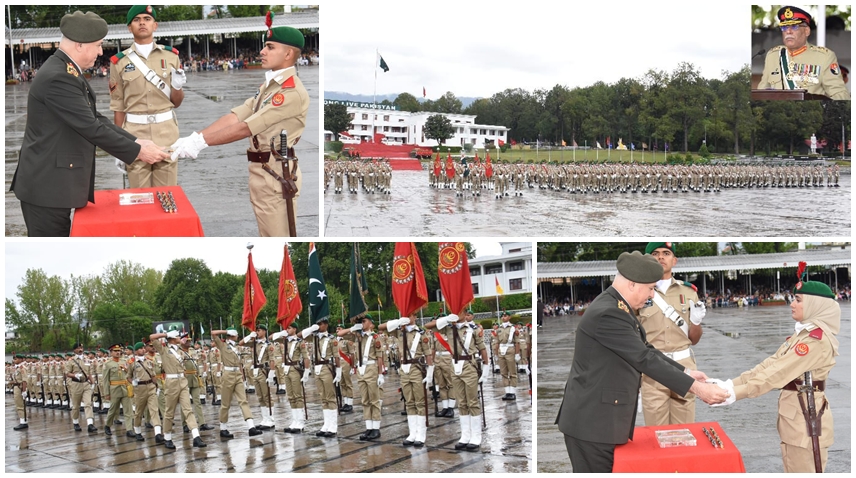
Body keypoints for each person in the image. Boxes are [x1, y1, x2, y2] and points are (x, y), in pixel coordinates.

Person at [555, 251, 729, 473]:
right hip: (592, 424)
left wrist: (686, 371)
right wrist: (698, 389)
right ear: (632, 284)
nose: (650, 296)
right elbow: (643, 359)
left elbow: (646, 349)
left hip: (599, 421)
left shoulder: (618, 306)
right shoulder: (609, 313)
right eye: (649, 289)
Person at [9, 11, 170, 237]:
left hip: (53, 185)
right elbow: (91, 128)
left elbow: (95, 118)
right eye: (97, 45)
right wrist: (139, 152)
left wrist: (135, 140)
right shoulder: (60, 77)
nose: (100, 51)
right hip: (46, 190)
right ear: (80, 45)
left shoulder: (66, 70)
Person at [171, 19, 308, 236]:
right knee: (267, 235)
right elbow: (235, 116)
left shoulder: (289, 92)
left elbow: (246, 127)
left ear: (288, 54)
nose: (262, 51)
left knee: (276, 238)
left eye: (270, 47)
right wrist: (194, 137)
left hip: (277, 175)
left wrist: (201, 143)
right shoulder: (270, 86)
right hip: (264, 172)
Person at [713, 271, 839, 472]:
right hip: (797, 421)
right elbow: (768, 365)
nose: (792, 304)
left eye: (798, 300)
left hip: (806, 424)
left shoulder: (815, 341)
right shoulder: (801, 336)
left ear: (816, 305)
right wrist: (730, 384)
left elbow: (777, 374)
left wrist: (735, 394)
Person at [110, 5, 185, 188]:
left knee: (166, 196)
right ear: (129, 28)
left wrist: (177, 86)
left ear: (155, 25)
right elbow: (118, 107)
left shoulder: (171, 56)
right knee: (139, 199)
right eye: (136, 20)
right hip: (135, 135)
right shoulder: (118, 62)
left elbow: (176, 102)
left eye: (147, 19)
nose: (142, 22)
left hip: (166, 132)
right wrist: (119, 147)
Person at [636, 242, 705, 425]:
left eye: (666, 253)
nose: (660, 257)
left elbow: (694, 339)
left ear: (674, 260)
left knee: (685, 430)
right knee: (656, 432)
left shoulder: (689, 292)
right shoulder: (639, 292)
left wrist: (696, 323)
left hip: (684, 365)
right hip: (653, 368)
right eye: (655, 253)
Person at [425, 310, 488, 451]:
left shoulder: (474, 329)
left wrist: (486, 367)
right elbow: (428, 326)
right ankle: (465, 435)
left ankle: (476, 436)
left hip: (469, 365)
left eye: (459, 312)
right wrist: (447, 318)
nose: (457, 314)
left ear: (465, 314)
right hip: (454, 365)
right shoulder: (448, 327)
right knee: (461, 402)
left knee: (472, 401)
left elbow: (482, 348)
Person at [758, 6, 849, 100]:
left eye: (794, 26)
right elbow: (761, 92)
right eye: (784, 27)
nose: (788, 31)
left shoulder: (824, 57)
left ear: (806, 31)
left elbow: (840, 95)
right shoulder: (773, 55)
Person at [381, 311, 434, 447]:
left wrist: (430, 372)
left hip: (417, 368)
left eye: (410, 315)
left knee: (420, 402)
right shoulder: (399, 331)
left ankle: (421, 434)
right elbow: (380, 328)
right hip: (404, 370)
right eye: (406, 315)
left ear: (415, 317)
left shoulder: (421, 334)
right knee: (409, 402)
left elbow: (428, 354)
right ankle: (412, 433)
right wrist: (398, 322)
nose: (408, 318)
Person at [149, 331, 207, 449]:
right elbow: (152, 337)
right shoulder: (164, 349)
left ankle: (196, 437)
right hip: (171, 383)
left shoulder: (180, 351)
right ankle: (167, 438)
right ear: (171, 338)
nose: (179, 338)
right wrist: (165, 334)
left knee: (188, 409)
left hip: (183, 381)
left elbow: (190, 360)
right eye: (176, 336)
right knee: (169, 412)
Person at [337, 316, 386, 441]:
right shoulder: (356, 336)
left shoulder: (375, 337)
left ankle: (376, 428)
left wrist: (380, 374)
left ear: (370, 323)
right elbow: (340, 333)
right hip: (361, 370)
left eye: (364, 321)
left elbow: (380, 357)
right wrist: (353, 328)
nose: (362, 324)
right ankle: (369, 427)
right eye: (361, 322)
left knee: (374, 400)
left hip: (372, 368)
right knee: (365, 400)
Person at [210, 329, 261, 438]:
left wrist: (243, 377)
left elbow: (241, 355)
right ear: (231, 336)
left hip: (237, 374)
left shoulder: (236, 347)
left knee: (243, 401)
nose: (237, 336)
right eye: (236, 334)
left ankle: (251, 427)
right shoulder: (223, 345)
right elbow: (213, 333)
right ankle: (223, 428)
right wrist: (226, 331)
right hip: (227, 374)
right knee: (225, 404)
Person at [301, 317, 341, 437]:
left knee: (330, 396)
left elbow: (336, 356)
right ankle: (326, 424)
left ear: (326, 325)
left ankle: (333, 425)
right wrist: (311, 328)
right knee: (323, 398)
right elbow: (300, 335)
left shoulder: (331, 339)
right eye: (317, 324)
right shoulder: (314, 337)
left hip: (327, 367)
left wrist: (338, 370)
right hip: (317, 368)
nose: (319, 326)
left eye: (321, 324)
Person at [270, 323, 310, 433]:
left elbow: (306, 357)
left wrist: (306, 372)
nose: (287, 330)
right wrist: (280, 333)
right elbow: (270, 338)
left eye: (289, 328)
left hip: (295, 369)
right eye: (286, 328)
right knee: (291, 396)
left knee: (297, 396)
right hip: (287, 369)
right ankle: (295, 420)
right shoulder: (285, 341)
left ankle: (300, 422)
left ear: (295, 329)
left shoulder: (299, 342)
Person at [241, 324, 276, 430]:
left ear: (264, 331)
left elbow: (272, 360)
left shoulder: (268, 344)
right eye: (256, 331)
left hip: (264, 370)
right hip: (256, 370)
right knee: (260, 396)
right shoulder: (254, 343)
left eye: (259, 330)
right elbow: (241, 343)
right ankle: (264, 418)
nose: (257, 332)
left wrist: (271, 374)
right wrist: (249, 336)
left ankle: (271, 418)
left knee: (267, 396)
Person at [129, 342, 163, 443]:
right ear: (135, 351)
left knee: (154, 410)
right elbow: (128, 376)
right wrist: (132, 382)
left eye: (144, 348)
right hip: (140, 389)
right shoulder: (132, 363)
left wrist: (157, 386)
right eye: (140, 348)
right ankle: (138, 432)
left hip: (151, 387)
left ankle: (157, 433)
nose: (143, 350)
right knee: (139, 412)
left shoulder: (149, 361)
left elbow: (153, 375)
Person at [64, 343, 98, 433]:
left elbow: (89, 373)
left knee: (88, 403)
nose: (81, 349)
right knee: (76, 406)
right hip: (76, 384)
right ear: (74, 350)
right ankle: (75, 422)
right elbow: (67, 373)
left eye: (82, 347)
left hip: (86, 383)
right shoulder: (71, 360)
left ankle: (90, 424)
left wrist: (93, 382)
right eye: (78, 348)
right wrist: (74, 375)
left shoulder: (87, 360)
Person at [495, 312, 521, 401]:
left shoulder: (513, 328)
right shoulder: (499, 329)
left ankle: (512, 392)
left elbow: (517, 342)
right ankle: (507, 392)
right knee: (503, 372)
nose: (503, 317)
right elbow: (497, 342)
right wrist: (496, 354)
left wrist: (517, 354)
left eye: (505, 316)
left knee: (512, 372)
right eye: (502, 316)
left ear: (509, 317)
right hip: (501, 350)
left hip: (510, 350)